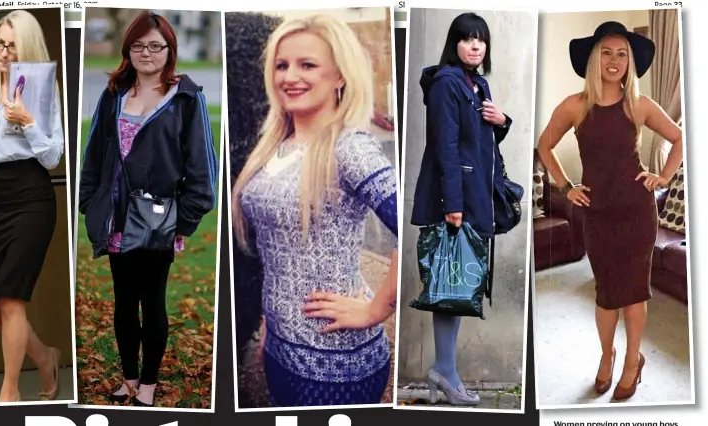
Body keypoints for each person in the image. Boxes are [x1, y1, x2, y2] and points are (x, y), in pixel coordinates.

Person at [231, 14, 398, 407]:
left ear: (340, 76)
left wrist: (377, 308)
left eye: (307, 64)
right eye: (282, 64)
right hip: (279, 347)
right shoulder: (274, 145)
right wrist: (272, 323)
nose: (290, 76)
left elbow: (425, 228)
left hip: (337, 363)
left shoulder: (349, 148)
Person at [78, 11, 219, 407]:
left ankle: (149, 385)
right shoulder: (114, 93)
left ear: (169, 50)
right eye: (139, 45)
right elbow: (95, 154)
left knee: (152, 301)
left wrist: (183, 222)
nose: (147, 52)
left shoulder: (187, 98)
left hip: (160, 221)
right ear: (128, 49)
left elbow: (201, 169)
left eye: (156, 45)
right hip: (117, 218)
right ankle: (128, 378)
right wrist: (90, 202)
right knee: (123, 301)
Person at [537, 21, 683, 400]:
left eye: (622, 53)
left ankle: (633, 361)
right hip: (598, 215)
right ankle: (608, 356)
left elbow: (681, 137)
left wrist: (664, 175)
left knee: (635, 294)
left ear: (630, 61)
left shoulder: (639, 104)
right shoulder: (575, 105)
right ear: (594, 58)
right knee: (605, 295)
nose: (614, 60)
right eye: (607, 52)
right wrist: (567, 187)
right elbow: (544, 147)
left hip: (637, 213)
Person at [410, 12, 514, 406]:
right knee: (448, 285)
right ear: (454, 43)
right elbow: (446, 147)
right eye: (468, 39)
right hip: (453, 201)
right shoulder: (447, 84)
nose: (476, 46)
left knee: (457, 287)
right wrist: (453, 204)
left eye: (481, 40)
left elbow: (480, 140)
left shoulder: (477, 83)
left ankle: (444, 370)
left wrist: (502, 121)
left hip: (472, 198)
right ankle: (446, 372)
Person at [0, 9, 64, 403]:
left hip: (33, 194)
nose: (4, 52)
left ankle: (9, 393)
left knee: (10, 297)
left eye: (13, 45)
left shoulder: (43, 90)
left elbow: (53, 156)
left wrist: (27, 122)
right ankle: (46, 357)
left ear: (27, 48)